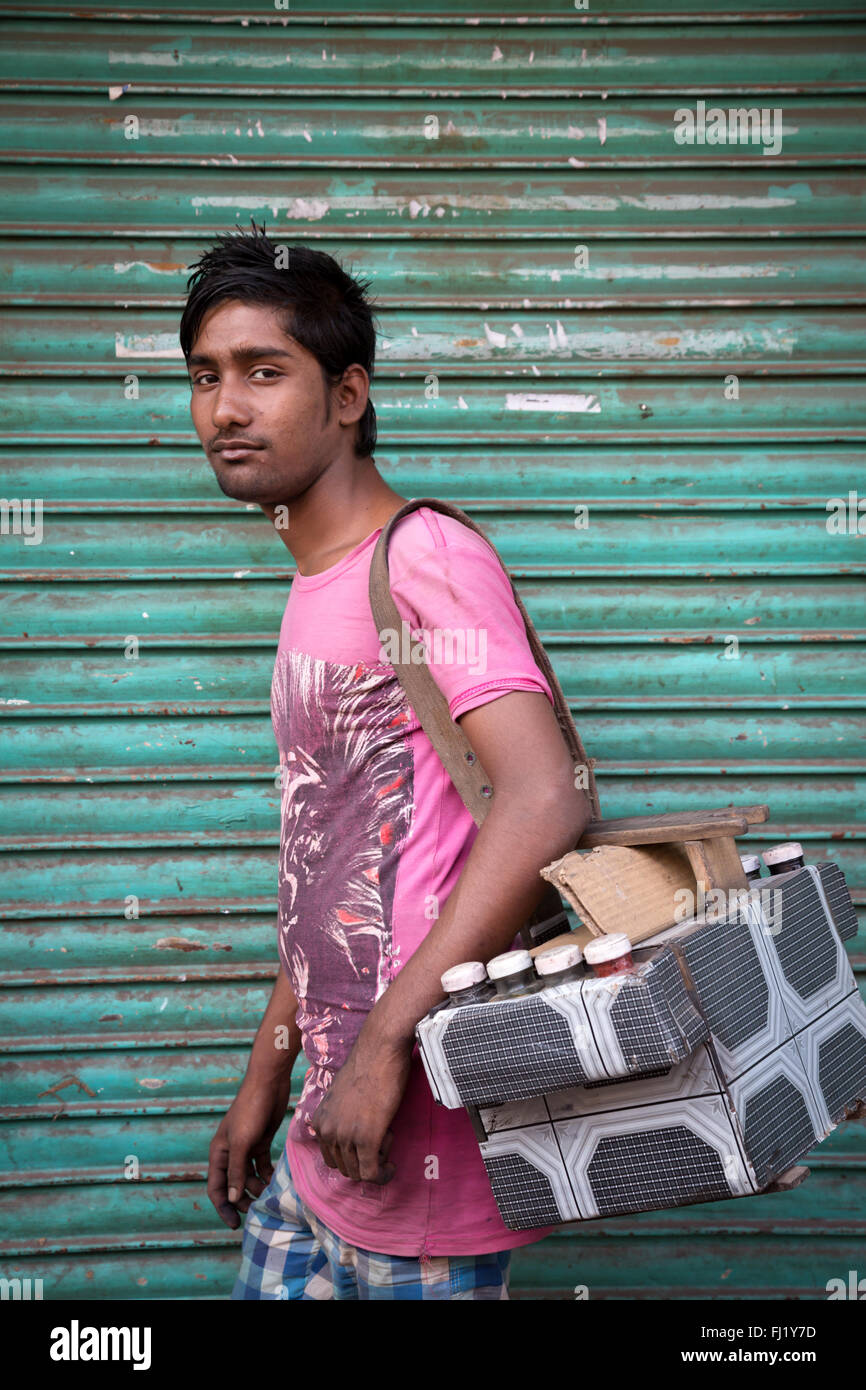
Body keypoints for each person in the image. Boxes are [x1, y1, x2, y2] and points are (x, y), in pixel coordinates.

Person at [181, 225, 592, 1300]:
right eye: (206, 376)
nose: (226, 407)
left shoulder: (421, 560)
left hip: (418, 1160)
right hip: (324, 1150)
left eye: (265, 372)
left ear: (348, 394)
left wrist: (380, 1049)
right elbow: (330, 866)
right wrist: (264, 1077)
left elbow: (544, 794)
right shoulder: (317, 583)